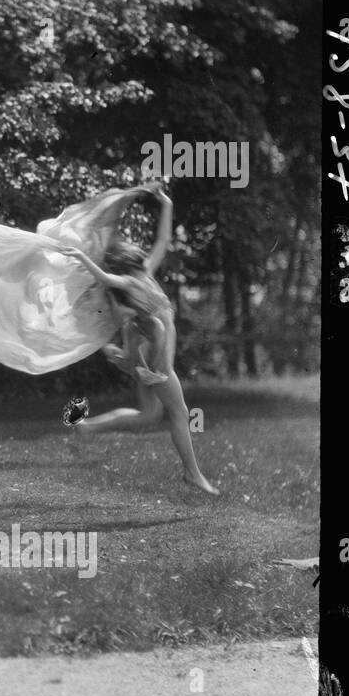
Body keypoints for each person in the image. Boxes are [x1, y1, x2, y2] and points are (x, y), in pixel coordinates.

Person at [55, 184, 220, 495]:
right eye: (135, 250)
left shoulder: (145, 273)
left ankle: (86, 427)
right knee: (179, 412)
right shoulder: (130, 281)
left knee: (150, 414)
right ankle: (192, 473)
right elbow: (105, 278)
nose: (142, 251)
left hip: (145, 350)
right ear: (127, 260)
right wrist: (80, 255)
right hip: (154, 355)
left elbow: (164, 239)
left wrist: (167, 204)